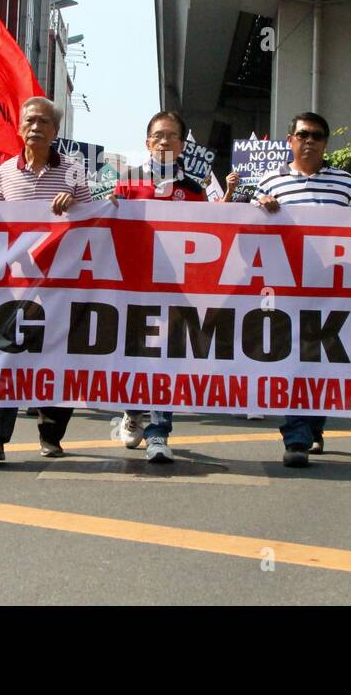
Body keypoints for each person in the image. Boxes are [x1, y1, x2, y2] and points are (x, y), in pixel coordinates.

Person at [0, 96, 89, 461]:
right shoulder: (3, 172)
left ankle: (51, 432)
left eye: (44, 122)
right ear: (19, 128)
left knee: (57, 356)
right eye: (30, 121)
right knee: (4, 355)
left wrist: (75, 204)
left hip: (59, 284)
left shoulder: (74, 171)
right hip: (15, 285)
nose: (36, 128)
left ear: (55, 130)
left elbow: (94, 223)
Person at [255, 112, 351, 468]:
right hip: (287, 288)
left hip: (332, 289)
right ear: (290, 140)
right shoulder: (270, 180)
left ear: (325, 143)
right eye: (303, 134)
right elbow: (244, 227)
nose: (310, 141)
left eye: (318, 136)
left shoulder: (344, 182)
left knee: (321, 359)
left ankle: (313, 425)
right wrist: (260, 208)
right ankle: (296, 436)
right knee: (293, 358)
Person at [111, 109, 207, 463]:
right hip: (132, 288)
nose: (164, 141)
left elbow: (209, 237)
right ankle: (131, 410)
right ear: (147, 142)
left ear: (182, 145)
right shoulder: (128, 182)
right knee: (133, 353)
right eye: (158, 135)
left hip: (175, 290)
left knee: (166, 358)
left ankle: (159, 433)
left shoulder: (195, 190)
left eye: (172, 136)